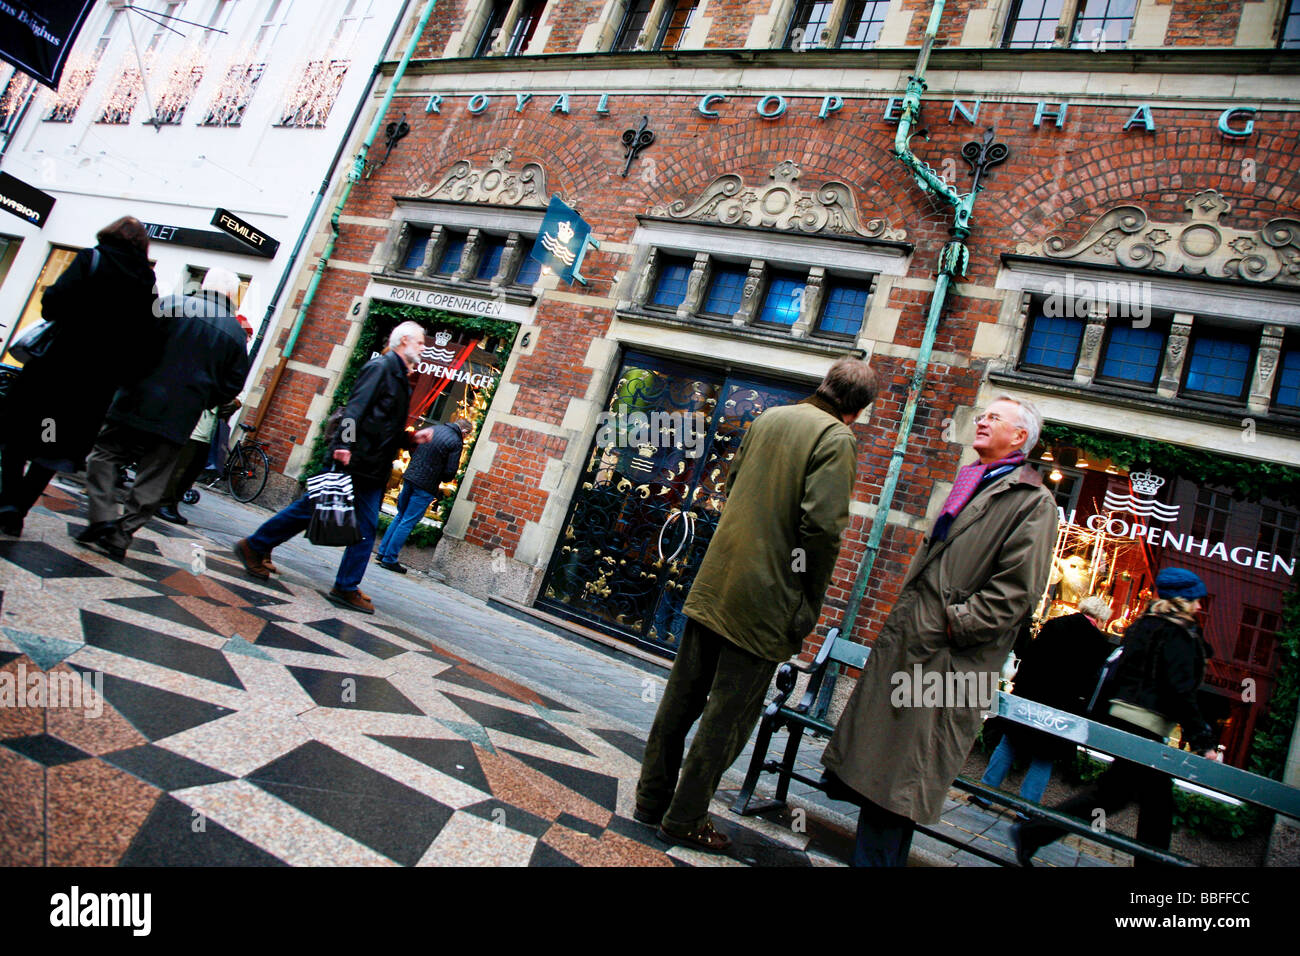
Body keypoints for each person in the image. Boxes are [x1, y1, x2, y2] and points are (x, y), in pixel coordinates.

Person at [634, 357, 878, 854]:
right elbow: (822, 528)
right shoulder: (837, 440)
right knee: (728, 718)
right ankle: (684, 819)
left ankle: (650, 801)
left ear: (824, 384)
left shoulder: (772, 417)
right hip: (764, 602)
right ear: (859, 409)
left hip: (716, 582)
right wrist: (806, 596)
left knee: (679, 702)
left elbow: (730, 483)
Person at [821, 394, 1058, 867]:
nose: (984, 421)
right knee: (886, 783)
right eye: (984, 414)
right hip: (914, 649)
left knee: (899, 784)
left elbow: (1016, 594)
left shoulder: (1033, 502)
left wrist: (954, 624)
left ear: (1020, 438)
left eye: (996, 418)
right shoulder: (974, 480)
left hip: (946, 665)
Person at [1012, 567, 1222, 867]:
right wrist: (1202, 740)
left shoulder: (1144, 625)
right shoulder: (1177, 632)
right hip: (1146, 724)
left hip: (1126, 717)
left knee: (1128, 797)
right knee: (1148, 803)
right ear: (1182, 600)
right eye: (1195, 600)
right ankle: (1033, 832)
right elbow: (1179, 690)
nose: (1199, 606)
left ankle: (1033, 833)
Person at [233, 321, 436, 614]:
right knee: (316, 510)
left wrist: (410, 438)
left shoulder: (399, 375)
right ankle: (260, 548)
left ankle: (341, 583)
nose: (423, 347)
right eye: (419, 342)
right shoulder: (381, 368)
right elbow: (355, 409)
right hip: (356, 462)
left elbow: (382, 425)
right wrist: (345, 444)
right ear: (404, 340)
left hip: (370, 466)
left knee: (348, 520)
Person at [0, 217, 159, 537]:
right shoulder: (146, 279)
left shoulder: (93, 258)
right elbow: (148, 336)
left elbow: (53, 304)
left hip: (55, 370)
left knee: (18, 437)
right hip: (94, 385)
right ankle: (19, 508)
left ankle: (7, 503)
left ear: (109, 234)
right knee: (52, 447)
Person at [78, 268, 249, 559]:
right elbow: (232, 385)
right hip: (181, 414)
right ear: (232, 295)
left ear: (204, 285)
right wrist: (205, 399)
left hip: (136, 397)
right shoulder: (234, 333)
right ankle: (121, 534)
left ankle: (103, 515)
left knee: (105, 453)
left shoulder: (169, 304)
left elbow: (128, 342)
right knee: (154, 474)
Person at [972, 594, 1114, 814]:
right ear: (1101, 619)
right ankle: (1025, 809)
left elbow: (1030, 659)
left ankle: (985, 793)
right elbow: (1091, 684)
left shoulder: (1056, 625)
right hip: (1064, 709)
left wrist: (1019, 690)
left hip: (1032, 697)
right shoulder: (1100, 645)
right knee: (1044, 758)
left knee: (1009, 743)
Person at [376, 417, 471, 573]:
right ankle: (389, 558)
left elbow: (414, 448)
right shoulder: (456, 442)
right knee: (408, 521)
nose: (466, 438)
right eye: (467, 435)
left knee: (400, 516)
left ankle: (382, 552)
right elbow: (449, 472)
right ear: (464, 431)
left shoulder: (435, 429)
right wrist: (441, 476)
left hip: (410, 476)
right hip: (426, 484)